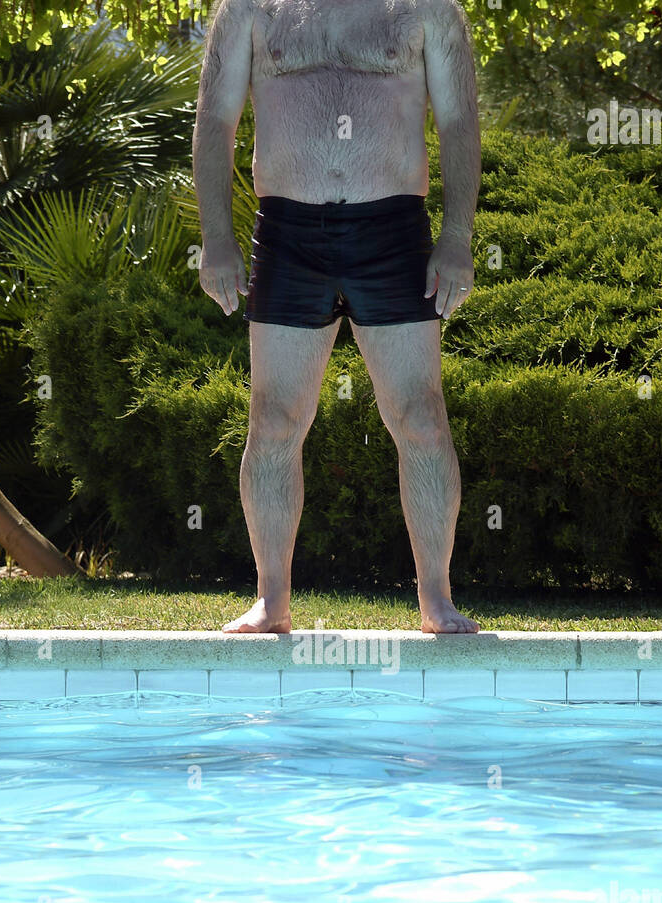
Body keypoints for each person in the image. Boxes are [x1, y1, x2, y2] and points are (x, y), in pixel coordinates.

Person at [193, 0, 481, 633]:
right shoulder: (246, 7)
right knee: (273, 419)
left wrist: (457, 236)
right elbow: (215, 122)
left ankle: (435, 598)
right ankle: (272, 601)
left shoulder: (428, 7)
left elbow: (460, 122)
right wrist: (217, 238)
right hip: (289, 231)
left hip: (393, 230)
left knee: (422, 418)